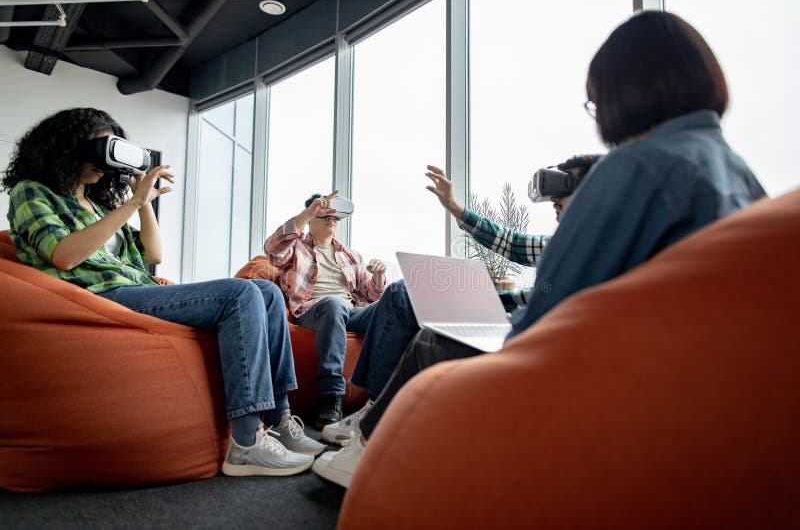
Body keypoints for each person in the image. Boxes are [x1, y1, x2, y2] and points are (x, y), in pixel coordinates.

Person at [312, 10, 766, 488]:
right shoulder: (739, 176)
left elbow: (542, 320)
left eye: (597, 104)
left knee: (434, 340)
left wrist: (492, 322)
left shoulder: (639, 168)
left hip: (606, 385)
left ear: (623, 94)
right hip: (694, 392)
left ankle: (371, 450)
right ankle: (368, 423)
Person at [2, 108, 325, 479]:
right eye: (97, 150)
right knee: (240, 295)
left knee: (265, 291)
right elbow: (64, 255)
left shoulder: (101, 205)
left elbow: (153, 256)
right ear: (65, 147)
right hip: (95, 298)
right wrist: (133, 203)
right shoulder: (33, 192)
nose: (100, 164)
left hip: (133, 288)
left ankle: (279, 418)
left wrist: (144, 202)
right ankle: (247, 443)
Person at [311, 153, 602, 483]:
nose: (554, 201)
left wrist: (469, 304)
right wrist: (454, 212)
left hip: (534, 339)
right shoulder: (568, 242)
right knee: (402, 293)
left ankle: (371, 440)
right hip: (522, 321)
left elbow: (541, 302)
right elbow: (514, 247)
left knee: (431, 340)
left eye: (567, 186)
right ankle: (372, 410)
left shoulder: (603, 242)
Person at [264, 191, 391, 429]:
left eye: (335, 216)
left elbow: (373, 295)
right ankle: (331, 397)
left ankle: (384, 394)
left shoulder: (351, 255)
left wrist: (379, 276)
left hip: (352, 313)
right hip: (314, 311)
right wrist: (308, 211)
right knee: (333, 303)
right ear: (311, 219)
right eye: (324, 213)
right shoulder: (296, 248)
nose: (332, 217)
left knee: (395, 300)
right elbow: (272, 250)